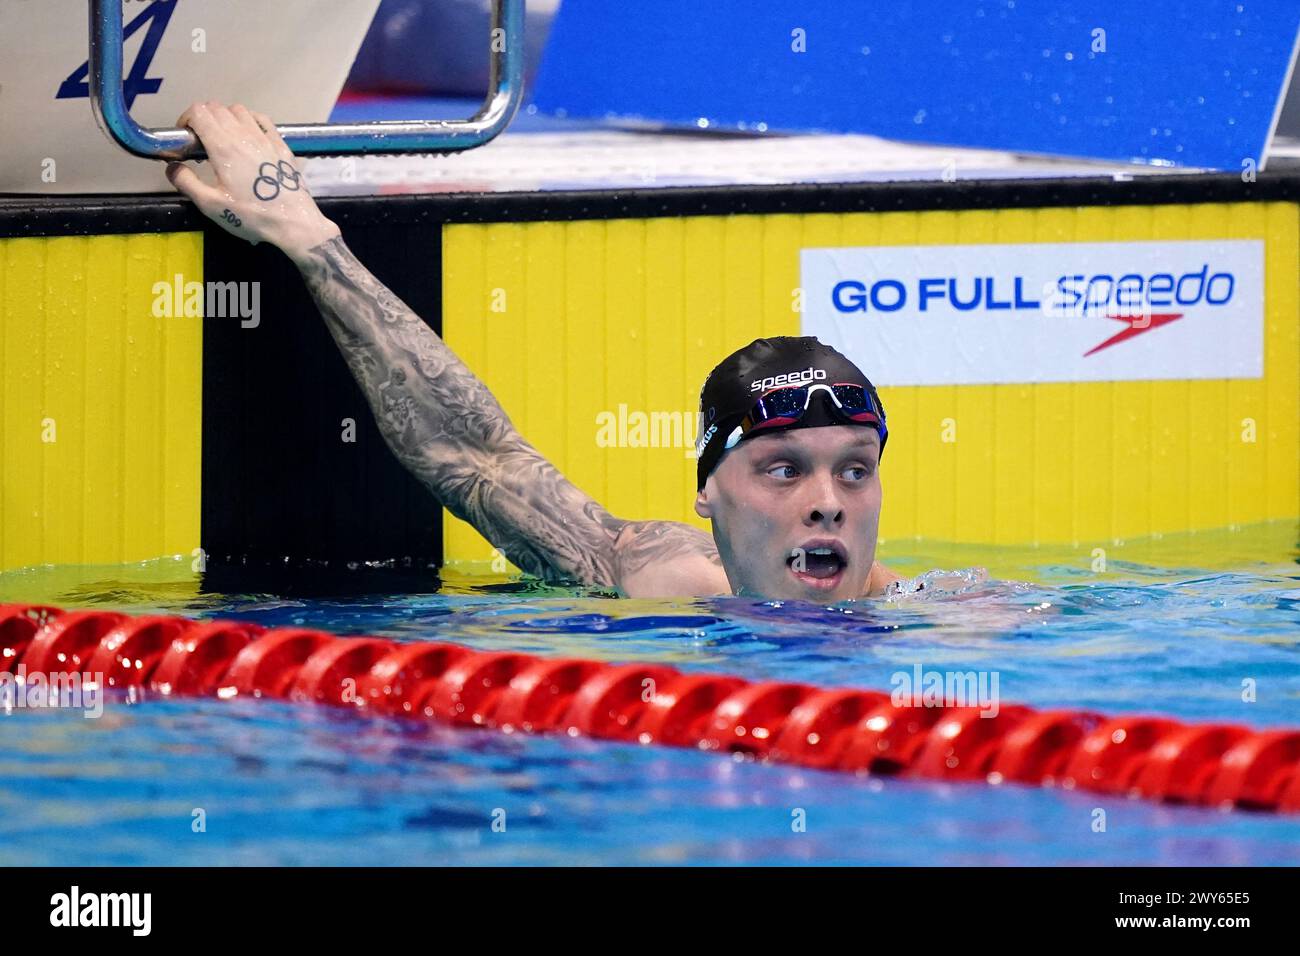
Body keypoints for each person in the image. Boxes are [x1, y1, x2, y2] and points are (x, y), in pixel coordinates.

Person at [166, 102, 902, 601]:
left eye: (855, 471)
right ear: (706, 491)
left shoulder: (951, 618)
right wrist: (303, 234)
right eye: (784, 469)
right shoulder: (653, 572)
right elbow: (478, 457)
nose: (829, 506)